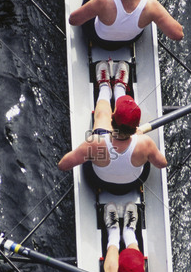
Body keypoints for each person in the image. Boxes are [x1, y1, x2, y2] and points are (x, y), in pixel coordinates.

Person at [58, 60, 167, 195]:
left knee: (102, 115)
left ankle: (104, 87)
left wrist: (89, 153)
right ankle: (119, 87)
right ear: (136, 127)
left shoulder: (94, 143)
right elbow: (162, 164)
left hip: (98, 180)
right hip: (133, 183)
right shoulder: (146, 143)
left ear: (113, 117)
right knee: (146, 158)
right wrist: (138, 137)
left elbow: (63, 165)